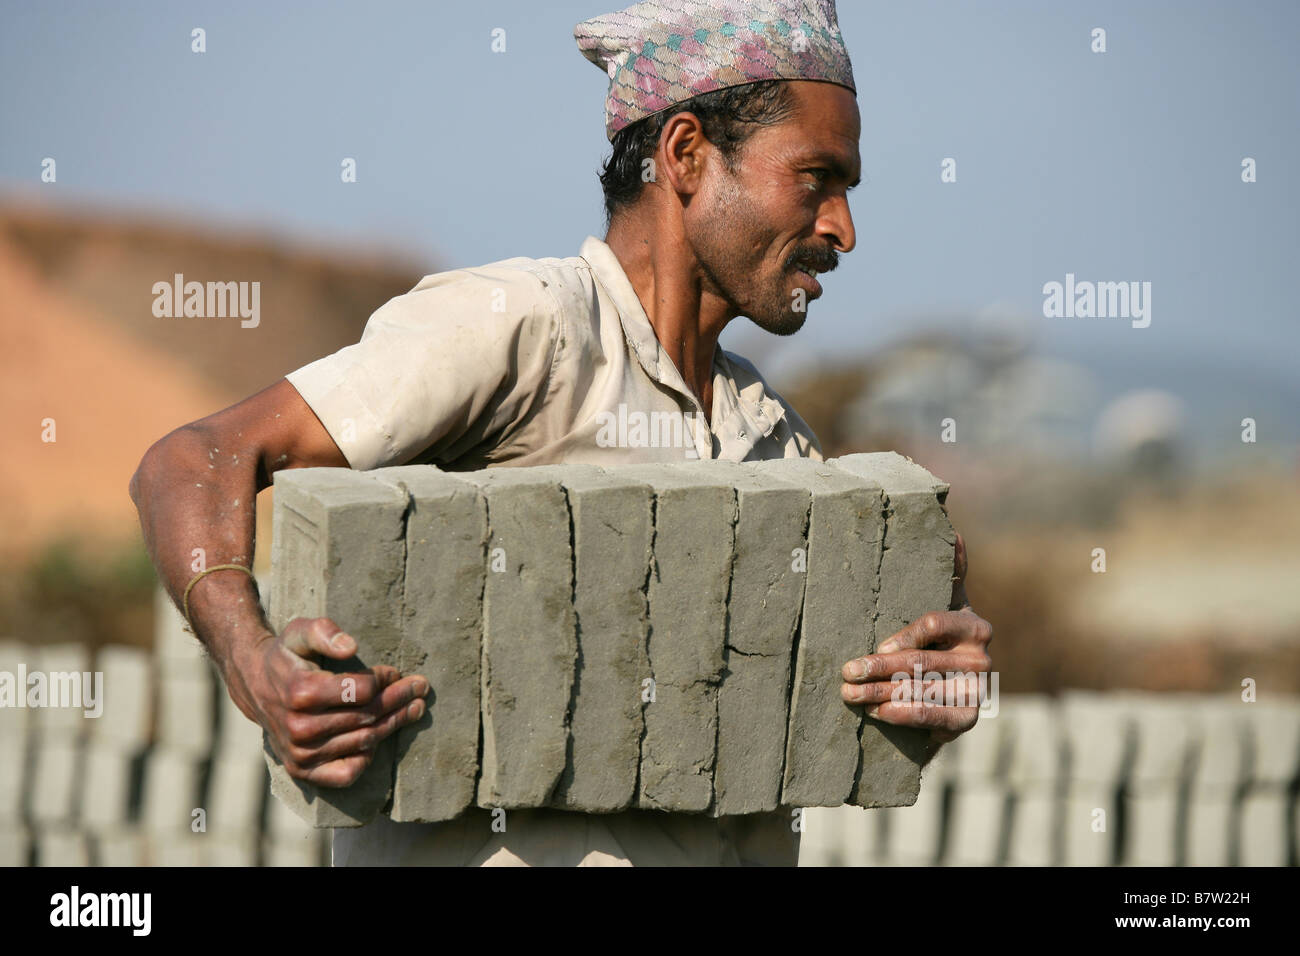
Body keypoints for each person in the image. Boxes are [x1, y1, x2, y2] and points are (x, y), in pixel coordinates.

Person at [129, 0, 993, 866]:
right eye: (816, 178)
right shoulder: (525, 328)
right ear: (686, 154)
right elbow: (195, 459)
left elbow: (815, 721)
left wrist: (929, 684)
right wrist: (251, 663)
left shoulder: (777, 441)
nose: (843, 228)